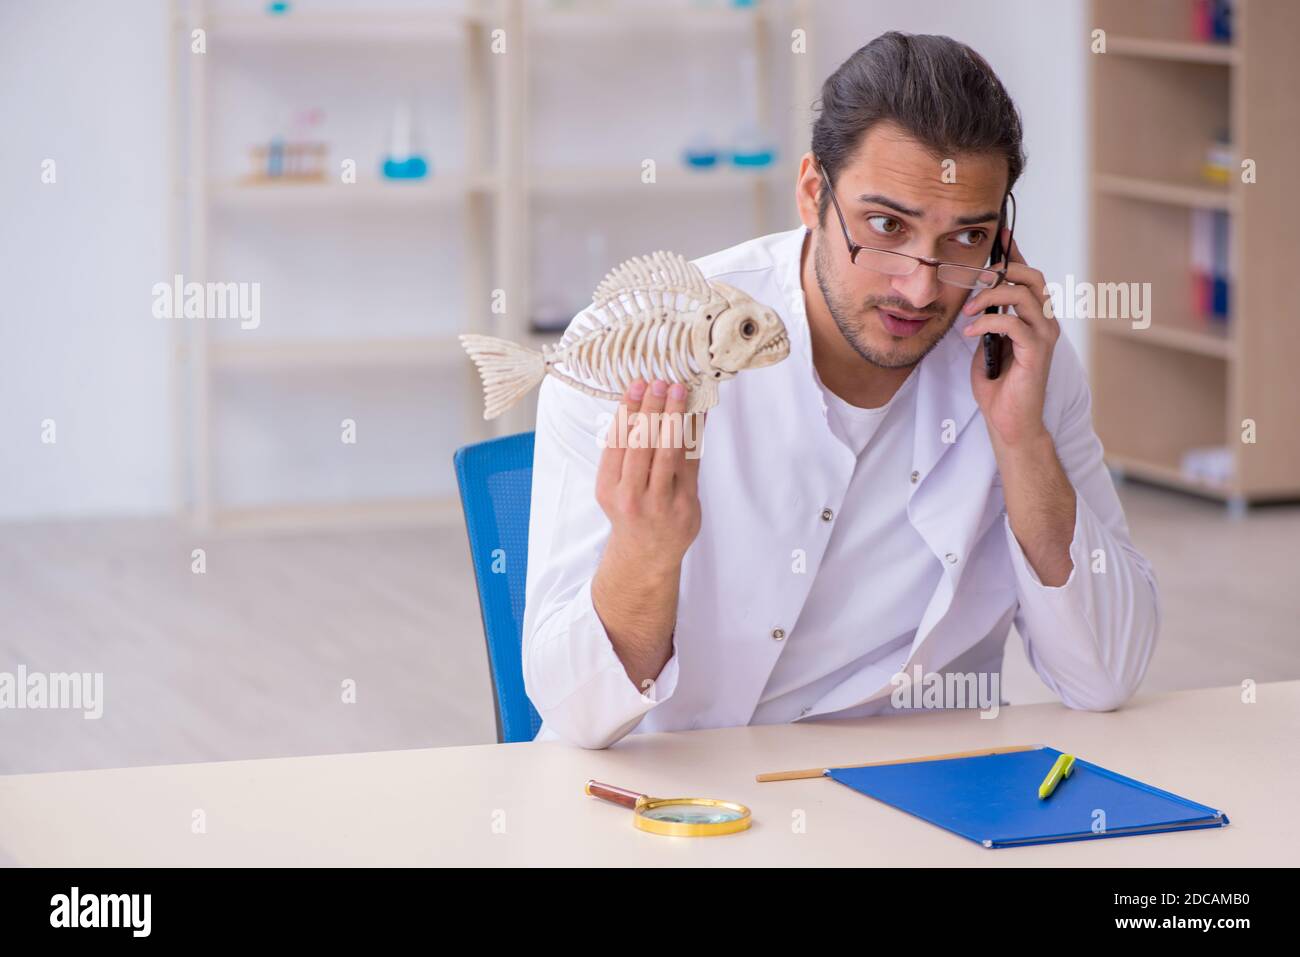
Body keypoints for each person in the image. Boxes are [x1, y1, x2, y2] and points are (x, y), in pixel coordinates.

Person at [521, 32, 1158, 749]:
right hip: (680, 809)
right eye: (887, 226)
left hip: (923, 801)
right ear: (812, 193)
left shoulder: (1017, 358)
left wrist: (1021, 441)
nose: (919, 285)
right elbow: (573, 715)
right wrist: (646, 549)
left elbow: (1106, 674)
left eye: (966, 238)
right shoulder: (640, 348)